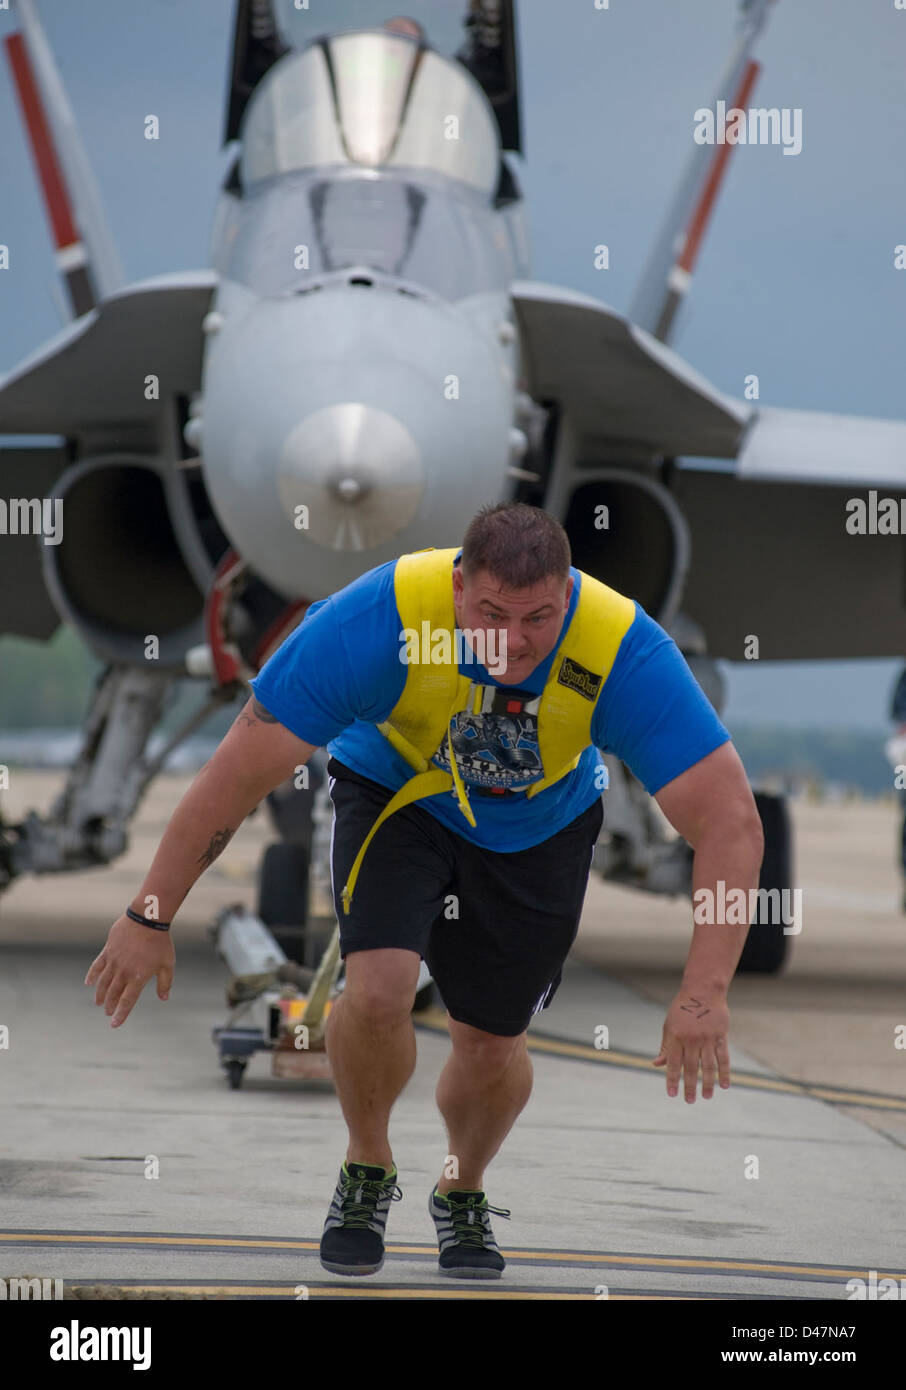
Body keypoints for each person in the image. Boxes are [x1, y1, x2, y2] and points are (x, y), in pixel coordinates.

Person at [85, 503, 763, 1282]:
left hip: (537, 829)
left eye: (539, 617)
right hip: (396, 799)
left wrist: (705, 993)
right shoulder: (376, 621)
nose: (513, 643)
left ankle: (461, 1184)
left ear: (569, 598)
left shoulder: (618, 647)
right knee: (377, 991)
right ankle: (367, 1164)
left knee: (490, 1044)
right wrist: (150, 912)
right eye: (492, 614)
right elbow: (238, 774)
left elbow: (732, 826)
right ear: (455, 590)